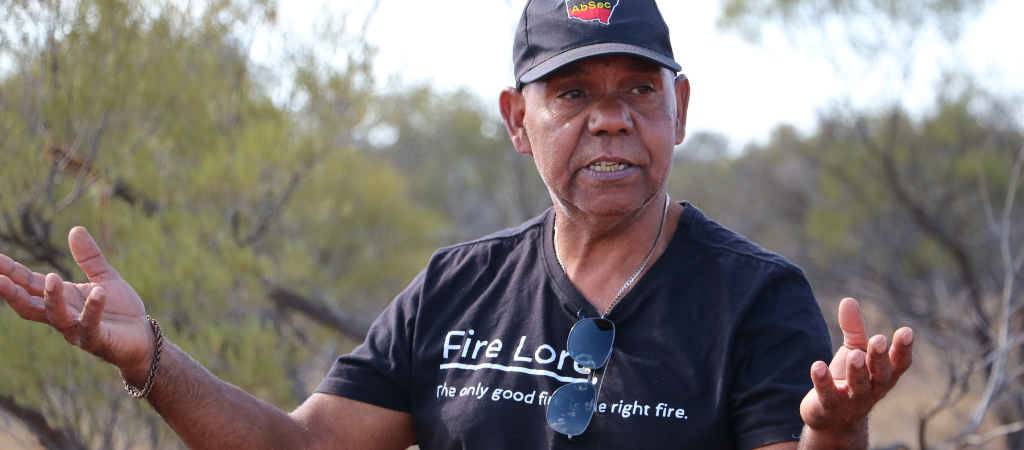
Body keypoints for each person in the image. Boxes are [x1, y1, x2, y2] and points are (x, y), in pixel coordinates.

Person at [0, 0, 912, 448]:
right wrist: (149, 360)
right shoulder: (458, 286)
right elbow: (309, 446)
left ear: (679, 107)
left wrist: (834, 431)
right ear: (518, 120)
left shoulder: (753, 297)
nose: (611, 119)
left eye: (639, 90)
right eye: (573, 93)